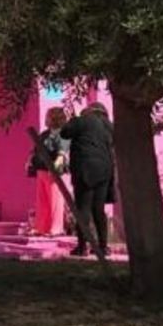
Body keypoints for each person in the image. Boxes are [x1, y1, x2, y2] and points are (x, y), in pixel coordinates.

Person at [60, 102, 115, 256]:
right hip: (104, 170)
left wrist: (72, 119)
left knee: (83, 208)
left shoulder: (81, 120)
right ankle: (103, 247)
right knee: (98, 209)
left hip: (85, 168)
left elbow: (64, 133)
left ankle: (82, 247)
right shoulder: (109, 125)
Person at [28, 107, 71, 236]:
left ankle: (56, 228)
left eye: (50, 116)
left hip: (53, 171)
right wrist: (29, 160)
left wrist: (56, 167)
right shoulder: (44, 134)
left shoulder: (63, 133)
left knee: (55, 200)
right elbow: (35, 150)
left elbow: (62, 152)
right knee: (42, 200)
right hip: (41, 169)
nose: (47, 118)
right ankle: (41, 227)